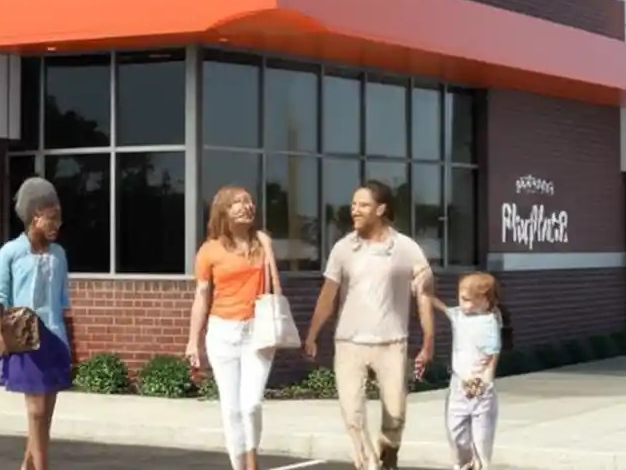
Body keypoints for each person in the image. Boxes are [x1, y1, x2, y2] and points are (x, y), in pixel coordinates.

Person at [303, 180, 435, 470]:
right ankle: (367, 465)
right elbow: (328, 294)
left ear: (381, 209)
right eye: (353, 205)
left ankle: (388, 454)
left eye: (363, 205)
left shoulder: (405, 248)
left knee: (395, 414)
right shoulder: (343, 248)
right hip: (349, 341)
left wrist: (428, 340)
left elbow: (424, 295)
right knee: (353, 415)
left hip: (392, 342)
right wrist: (312, 334)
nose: (355, 210)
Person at [184, 186, 283, 470]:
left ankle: (253, 461)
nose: (246, 206)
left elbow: (275, 283)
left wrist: (267, 248)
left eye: (249, 201)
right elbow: (202, 297)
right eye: (238, 202)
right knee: (231, 408)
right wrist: (194, 341)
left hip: (258, 331)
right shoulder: (209, 250)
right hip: (222, 333)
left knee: (251, 404)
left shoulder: (263, 242)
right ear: (224, 210)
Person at [0, 177, 72, 470]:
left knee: (44, 416)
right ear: (35, 218)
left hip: (55, 339)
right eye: (52, 218)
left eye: (58, 219)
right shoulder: (10, 252)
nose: (56, 225)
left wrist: (70, 345)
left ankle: (27, 466)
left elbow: (64, 304)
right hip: (24, 340)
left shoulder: (59, 255)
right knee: (35, 411)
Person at [430, 272, 503, 470]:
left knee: (482, 437)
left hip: (481, 388)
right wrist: (425, 295)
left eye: (472, 301)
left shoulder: (490, 321)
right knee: (455, 432)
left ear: (487, 302)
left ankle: (480, 464)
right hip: (458, 385)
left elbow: (493, 352)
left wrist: (487, 377)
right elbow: (443, 309)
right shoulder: (458, 315)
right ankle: (464, 462)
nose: (466, 305)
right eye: (463, 299)